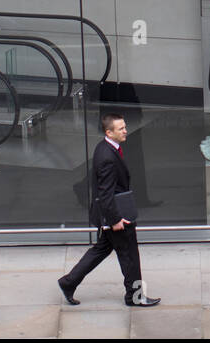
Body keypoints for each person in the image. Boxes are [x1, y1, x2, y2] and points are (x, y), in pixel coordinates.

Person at [57, 112, 161, 307]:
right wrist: (115, 221)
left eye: (124, 127)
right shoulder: (107, 157)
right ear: (109, 132)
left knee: (101, 250)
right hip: (117, 217)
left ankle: (68, 282)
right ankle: (135, 296)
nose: (125, 131)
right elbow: (105, 194)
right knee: (130, 256)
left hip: (113, 214)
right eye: (121, 128)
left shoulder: (105, 148)